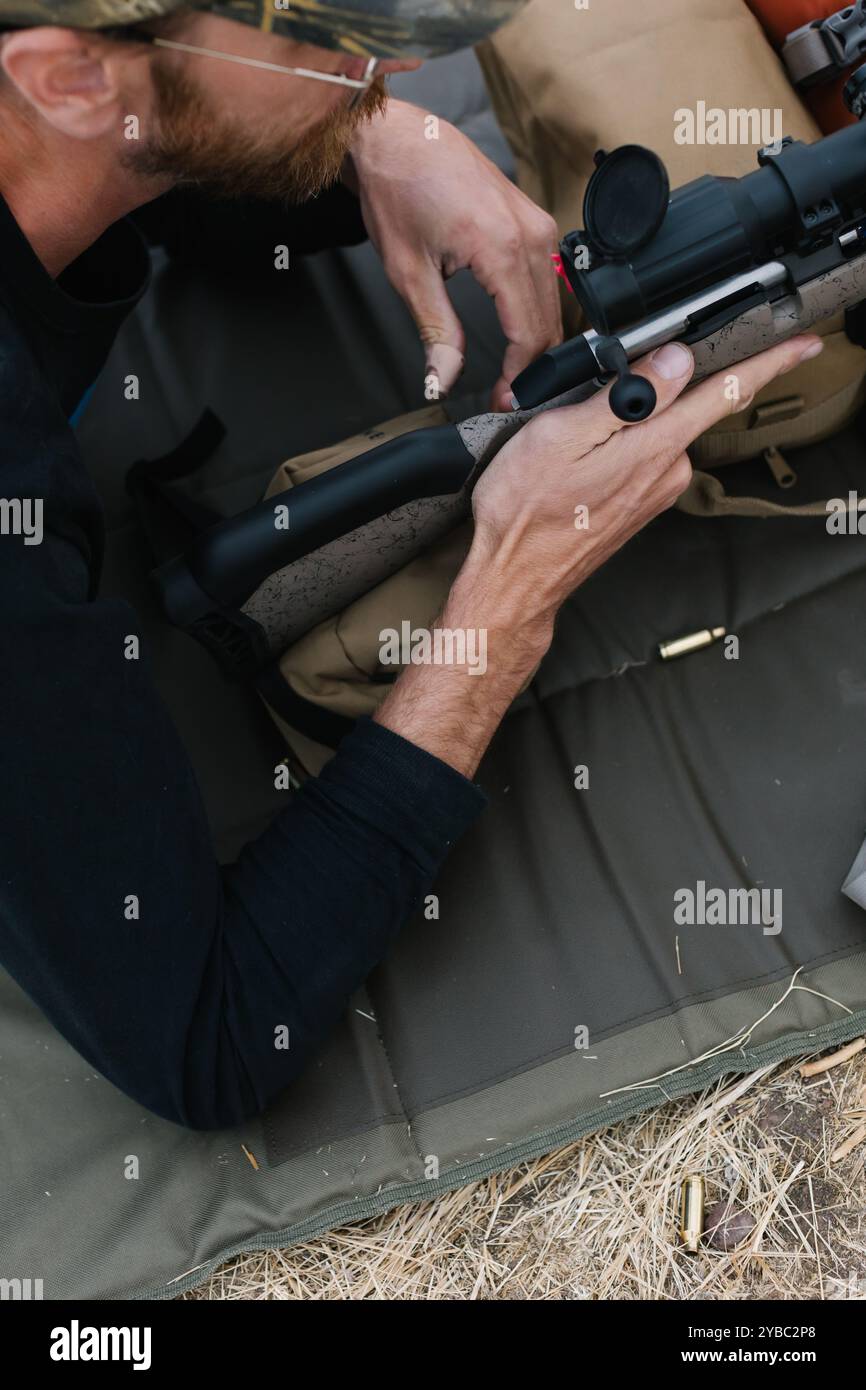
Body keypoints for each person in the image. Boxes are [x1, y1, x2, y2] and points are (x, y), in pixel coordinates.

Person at [0, 0, 822, 1129]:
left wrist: (371, 140)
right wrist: (506, 601)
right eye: (318, 42)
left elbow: (161, 147)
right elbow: (207, 1039)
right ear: (67, 78)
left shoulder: (71, 110)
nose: (386, 64)